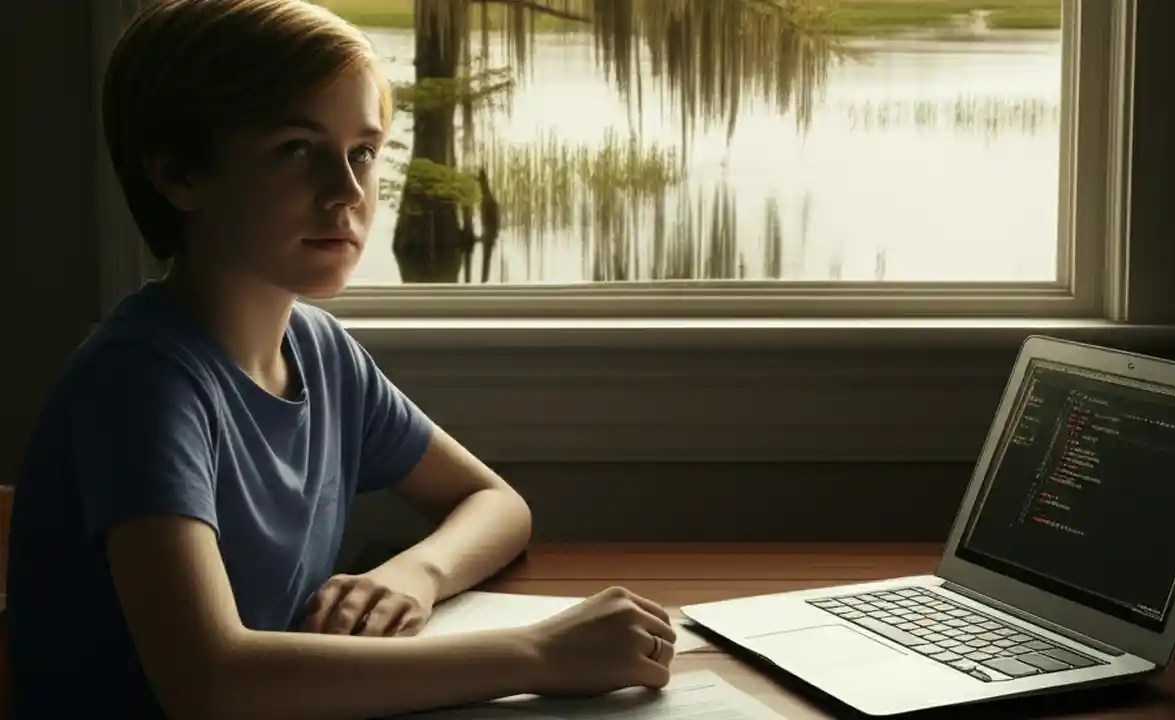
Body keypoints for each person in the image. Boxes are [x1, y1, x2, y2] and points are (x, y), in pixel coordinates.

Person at [4, 0, 676, 717]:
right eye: (297, 148)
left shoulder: (321, 352)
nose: (348, 192)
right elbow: (209, 681)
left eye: (362, 151)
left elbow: (495, 502)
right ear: (179, 175)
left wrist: (415, 573)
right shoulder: (141, 383)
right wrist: (538, 654)